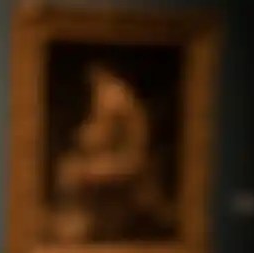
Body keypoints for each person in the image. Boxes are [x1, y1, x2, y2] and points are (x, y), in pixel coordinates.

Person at [52, 62, 173, 243]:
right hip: (112, 166)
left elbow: (126, 155)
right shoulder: (108, 94)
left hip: (129, 175)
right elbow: (94, 134)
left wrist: (92, 151)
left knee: (73, 173)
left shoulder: (117, 97)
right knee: (69, 169)